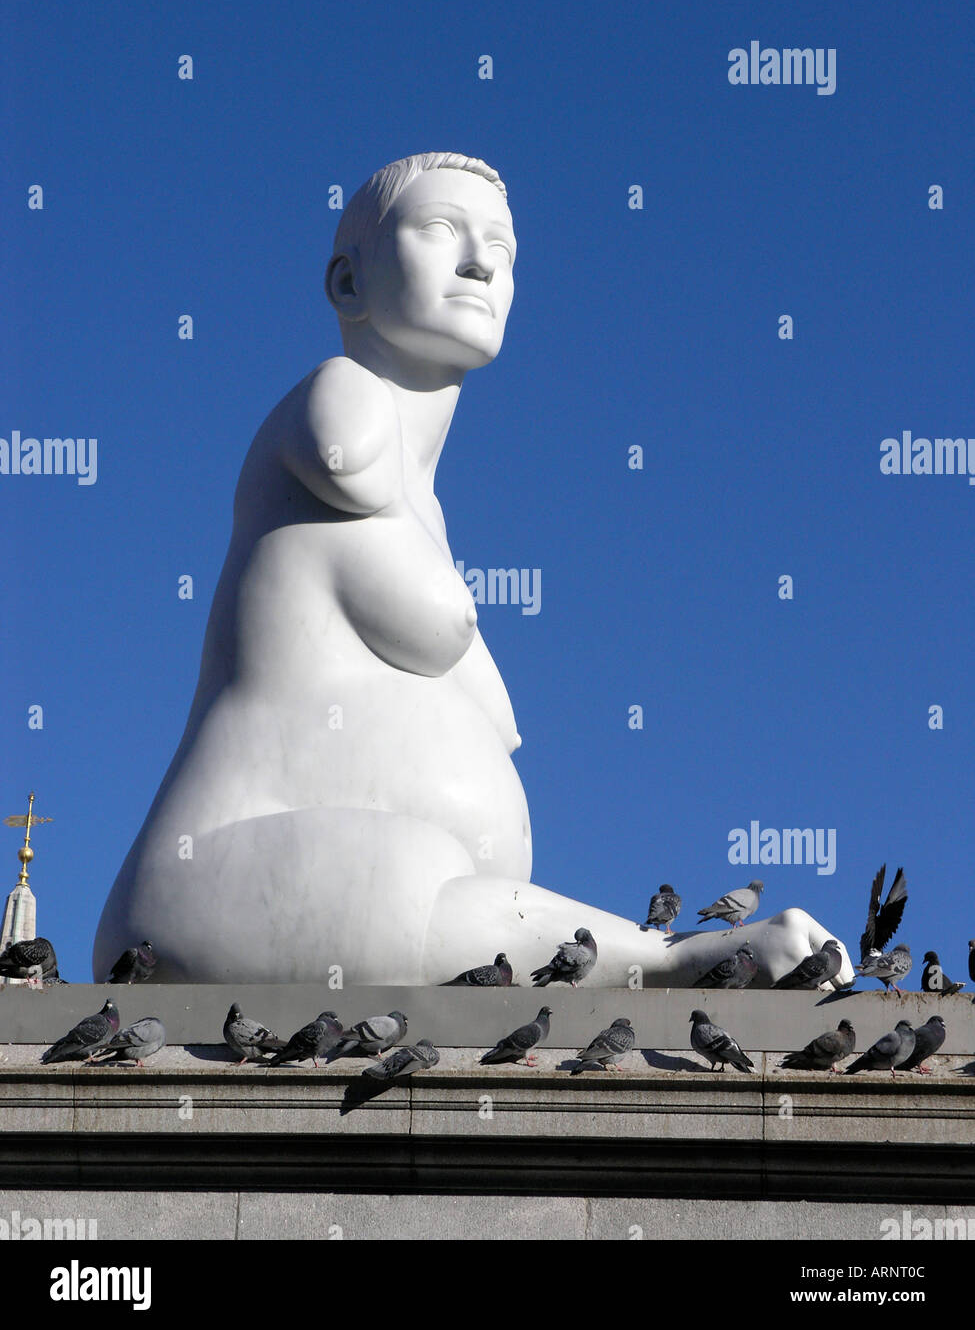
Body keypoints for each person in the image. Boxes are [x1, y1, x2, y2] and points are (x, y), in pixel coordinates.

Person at [94, 153, 849, 987]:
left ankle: (671, 959)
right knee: (408, 878)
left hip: (404, 908)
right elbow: (339, 456)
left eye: (502, 248)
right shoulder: (341, 396)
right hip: (220, 887)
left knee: (433, 887)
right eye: (440, 232)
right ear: (348, 285)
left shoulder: (429, 509)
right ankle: (676, 962)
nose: (481, 263)